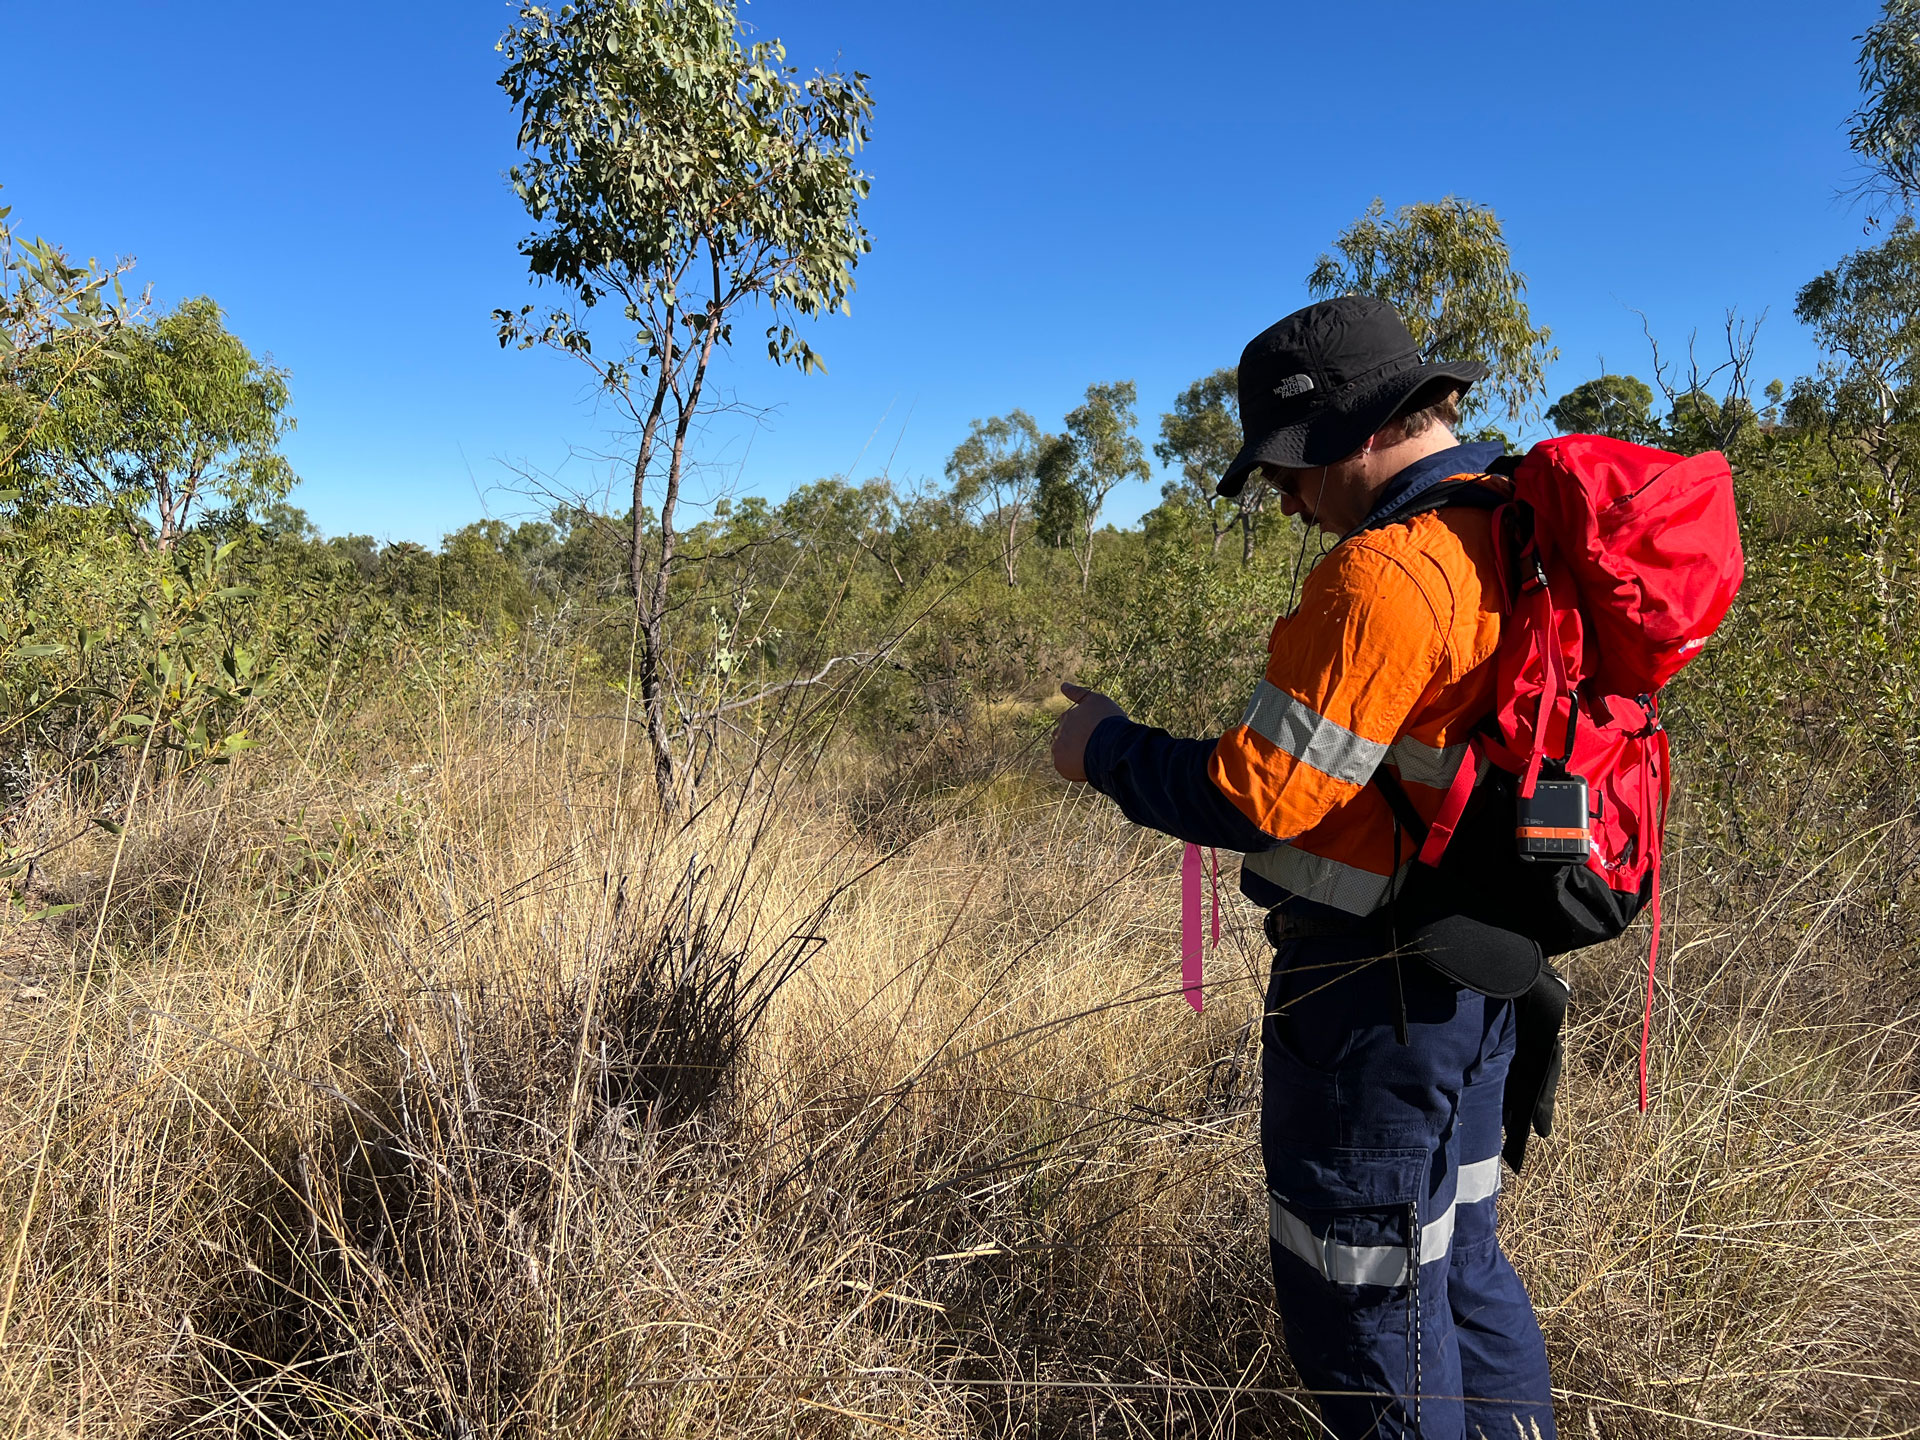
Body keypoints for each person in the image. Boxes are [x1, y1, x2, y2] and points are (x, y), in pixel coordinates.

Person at [1051, 295, 1557, 1440]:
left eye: (1289, 467)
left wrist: (1105, 752)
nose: (1282, 497)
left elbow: (1261, 790)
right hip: (1484, 982)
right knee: (1463, 1267)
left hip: (1374, 1008)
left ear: (1360, 429)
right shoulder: (1511, 526)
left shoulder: (1384, 575)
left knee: (1367, 1307)